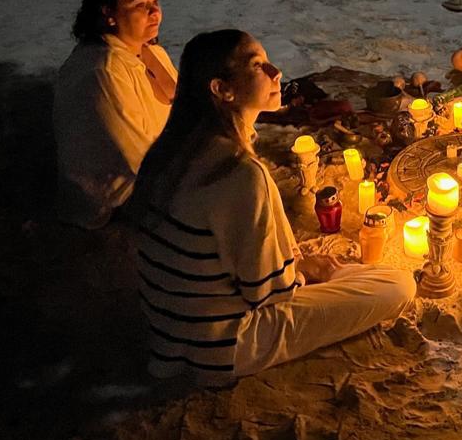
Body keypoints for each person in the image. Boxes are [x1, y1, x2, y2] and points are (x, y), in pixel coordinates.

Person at [129, 29, 415, 385]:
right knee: (398, 284)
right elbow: (270, 293)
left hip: (170, 333)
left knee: (336, 268)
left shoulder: (173, 148)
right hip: (224, 344)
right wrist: (307, 270)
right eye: (258, 65)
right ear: (222, 89)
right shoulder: (237, 171)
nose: (276, 72)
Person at [53, 0, 178, 229]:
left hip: (160, 173)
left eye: (155, 1)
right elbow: (136, 161)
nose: (154, 11)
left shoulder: (150, 53)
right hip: (116, 200)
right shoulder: (103, 71)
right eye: (139, 5)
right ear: (109, 14)